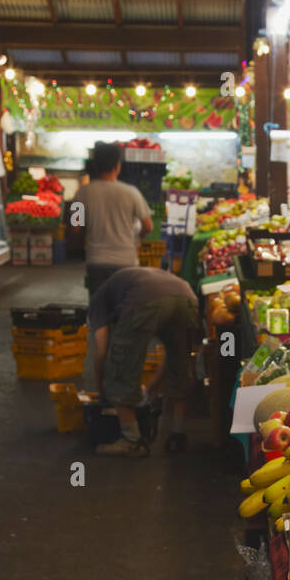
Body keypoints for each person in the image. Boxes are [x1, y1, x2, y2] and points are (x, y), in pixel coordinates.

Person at [88, 266, 199, 457]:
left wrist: (102, 391)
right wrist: (150, 387)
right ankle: (177, 435)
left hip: (146, 299)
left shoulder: (97, 302)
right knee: (180, 363)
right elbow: (170, 359)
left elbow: (102, 352)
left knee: (119, 367)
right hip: (187, 296)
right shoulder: (126, 282)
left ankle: (132, 441)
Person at [72, 141, 154, 299]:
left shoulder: (82, 193)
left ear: (95, 165)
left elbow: (75, 228)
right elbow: (148, 226)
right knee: (123, 310)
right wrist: (137, 239)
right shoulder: (131, 192)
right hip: (126, 261)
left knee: (99, 311)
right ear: (118, 166)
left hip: (96, 261)